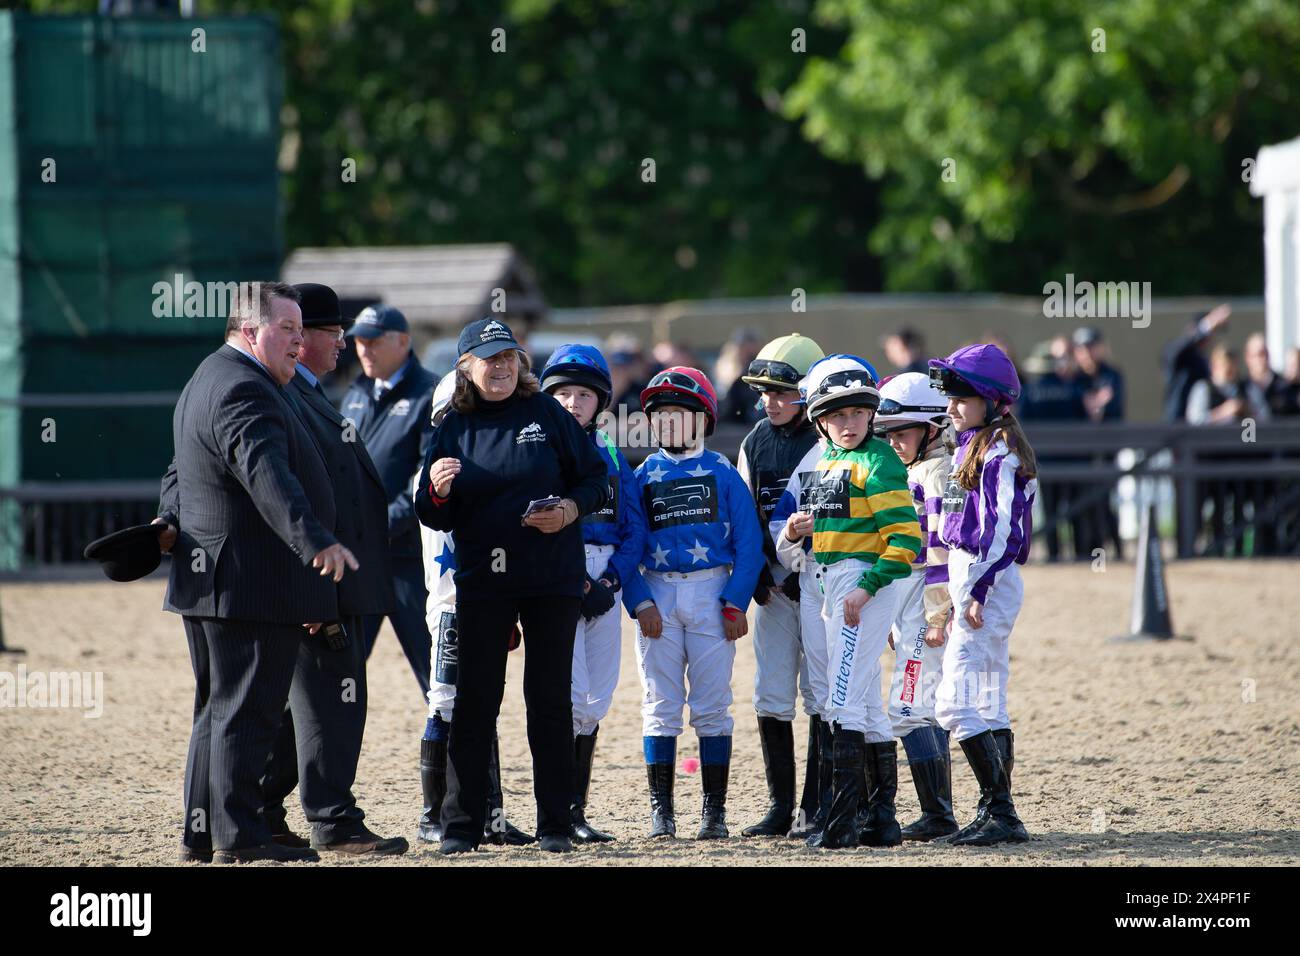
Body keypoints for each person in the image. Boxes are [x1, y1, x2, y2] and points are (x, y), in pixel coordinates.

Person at [155, 281, 355, 864]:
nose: (300, 343)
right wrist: (315, 540)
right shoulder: (245, 387)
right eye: (289, 331)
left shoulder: (210, 377)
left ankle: (202, 833)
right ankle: (240, 838)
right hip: (249, 584)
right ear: (250, 331)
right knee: (247, 712)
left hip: (216, 580)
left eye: (301, 331)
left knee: (216, 711)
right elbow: (264, 474)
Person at [414, 318, 609, 855]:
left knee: (548, 701)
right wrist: (436, 490)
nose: (501, 367)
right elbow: (432, 515)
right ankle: (461, 827)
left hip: (551, 579)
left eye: (508, 358)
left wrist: (569, 509)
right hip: (484, 581)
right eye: (489, 358)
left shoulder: (545, 412)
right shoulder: (452, 425)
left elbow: (596, 478)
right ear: (465, 368)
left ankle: (554, 825)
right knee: (475, 702)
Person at [253, 283, 407, 856]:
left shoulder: (313, 392)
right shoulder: (285, 395)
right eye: (330, 333)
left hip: (344, 582)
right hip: (323, 584)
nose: (340, 344)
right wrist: (316, 592)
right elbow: (296, 500)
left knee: (316, 709)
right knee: (327, 709)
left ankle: (268, 810)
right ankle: (331, 819)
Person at [775, 355, 921, 849]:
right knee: (865, 704)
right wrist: (800, 528)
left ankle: (840, 824)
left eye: (858, 412)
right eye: (838, 415)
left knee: (841, 700)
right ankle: (881, 820)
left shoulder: (879, 461)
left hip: (864, 586)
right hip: (833, 580)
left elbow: (904, 541)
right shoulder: (833, 462)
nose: (849, 422)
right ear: (820, 420)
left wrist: (867, 586)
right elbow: (840, 526)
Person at [621, 367, 764, 840]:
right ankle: (662, 814)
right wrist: (639, 601)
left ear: (702, 419)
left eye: (679, 415)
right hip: (657, 591)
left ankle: (713, 814)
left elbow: (750, 545)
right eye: (660, 417)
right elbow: (628, 545)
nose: (668, 424)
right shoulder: (641, 475)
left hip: (711, 593)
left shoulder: (723, 472)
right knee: (660, 705)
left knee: (712, 706)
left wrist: (735, 602)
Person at [416, 373, 534, 848]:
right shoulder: (442, 472)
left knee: (480, 702)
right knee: (447, 701)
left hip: (483, 597)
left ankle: (491, 814)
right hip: (453, 602)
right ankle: (434, 815)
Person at [538, 344, 650, 843]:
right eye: (563, 392)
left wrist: (609, 583)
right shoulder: (537, 452)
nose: (572, 402)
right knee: (568, 694)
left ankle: (577, 812)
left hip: (604, 580)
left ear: (600, 400)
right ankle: (560, 811)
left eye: (583, 394)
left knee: (597, 697)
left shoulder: (609, 454)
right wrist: (575, 581)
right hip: (556, 577)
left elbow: (635, 528)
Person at [928, 343, 1035, 846]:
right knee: (989, 698)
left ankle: (1002, 809)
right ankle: (995, 810)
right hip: (969, 575)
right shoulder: (972, 446)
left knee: (953, 702)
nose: (951, 407)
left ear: (993, 400)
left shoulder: (998, 453)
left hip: (985, 576)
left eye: (962, 398)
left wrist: (977, 589)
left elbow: (1001, 532)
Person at [733, 333, 827, 838]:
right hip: (772, 588)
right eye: (763, 392)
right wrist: (757, 580)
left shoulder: (828, 440)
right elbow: (747, 519)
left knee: (819, 695)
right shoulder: (753, 442)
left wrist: (800, 572)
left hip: (819, 587)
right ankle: (779, 805)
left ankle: (816, 804)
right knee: (771, 695)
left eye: (780, 391)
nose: (768, 402)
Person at [872, 372, 959, 842]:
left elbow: (943, 552)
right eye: (888, 434)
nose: (894, 442)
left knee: (907, 709)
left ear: (931, 428)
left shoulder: (937, 475)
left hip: (926, 603)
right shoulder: (914, 472)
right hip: (908, 602)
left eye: (902, 432)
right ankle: (938, 811)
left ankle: (939, 814)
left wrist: (937, 614)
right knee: (924, 708)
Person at [341, 305, 439, 697]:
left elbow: (425, 481)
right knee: (340, 668)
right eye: (360, 341)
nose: (364, 350)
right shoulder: (354, 393)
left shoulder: (429, 396)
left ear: (403, 341)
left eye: (374, 341)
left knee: (436, 670)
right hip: (358, 557)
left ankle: (466, 759)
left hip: (409, 561)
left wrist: (374, 529)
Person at [1163, 305, 1230, 422]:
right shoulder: (1179, 354)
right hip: (1178, 422)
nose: (1208, 338)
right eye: (1207, 333)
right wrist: (1206, 325)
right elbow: (1177, 350)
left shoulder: (1203, 360)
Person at [716, 327, 765, 425]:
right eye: (744, 348)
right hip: (730, 420)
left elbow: (760, 404)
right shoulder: (727, 366)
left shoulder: (762, 368)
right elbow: (724, 402)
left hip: (753, 416)